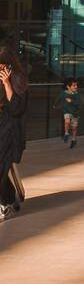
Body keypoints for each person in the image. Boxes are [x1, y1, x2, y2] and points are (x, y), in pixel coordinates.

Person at [0, 46, 27, 221]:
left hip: (10, 132)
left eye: (2, 67)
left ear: (9, 66)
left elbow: (16, 109)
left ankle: (5, 204)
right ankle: (10, 199)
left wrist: (7, 83)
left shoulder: (18, 80)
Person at [56, 77, 80, 147]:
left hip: (75, 113)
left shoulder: (76, 94)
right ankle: (66, 133)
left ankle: (74, 139)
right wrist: (55, 105)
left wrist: (72, 101)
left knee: (74, 127)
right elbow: (58, 98)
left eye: (76, 85)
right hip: (67, 111)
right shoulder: (63, 93)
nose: (76, 87)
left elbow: (79, 103)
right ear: (68, 87)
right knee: (67, 121)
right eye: (74, 85)